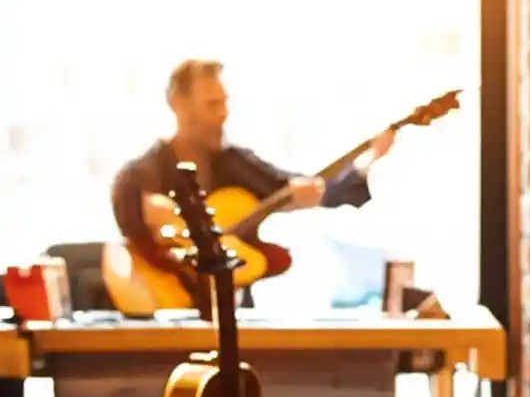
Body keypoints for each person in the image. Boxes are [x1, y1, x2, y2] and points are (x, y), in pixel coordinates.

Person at [110, 58, 396, 306]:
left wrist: (368, 158)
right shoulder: (138, 178)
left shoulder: (235, 163)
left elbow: (315, 190)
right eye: (212, 104)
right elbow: (127, 251)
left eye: (225, 103)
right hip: (166, 315)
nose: (223, 114)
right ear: (178, 104)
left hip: (234, 312)